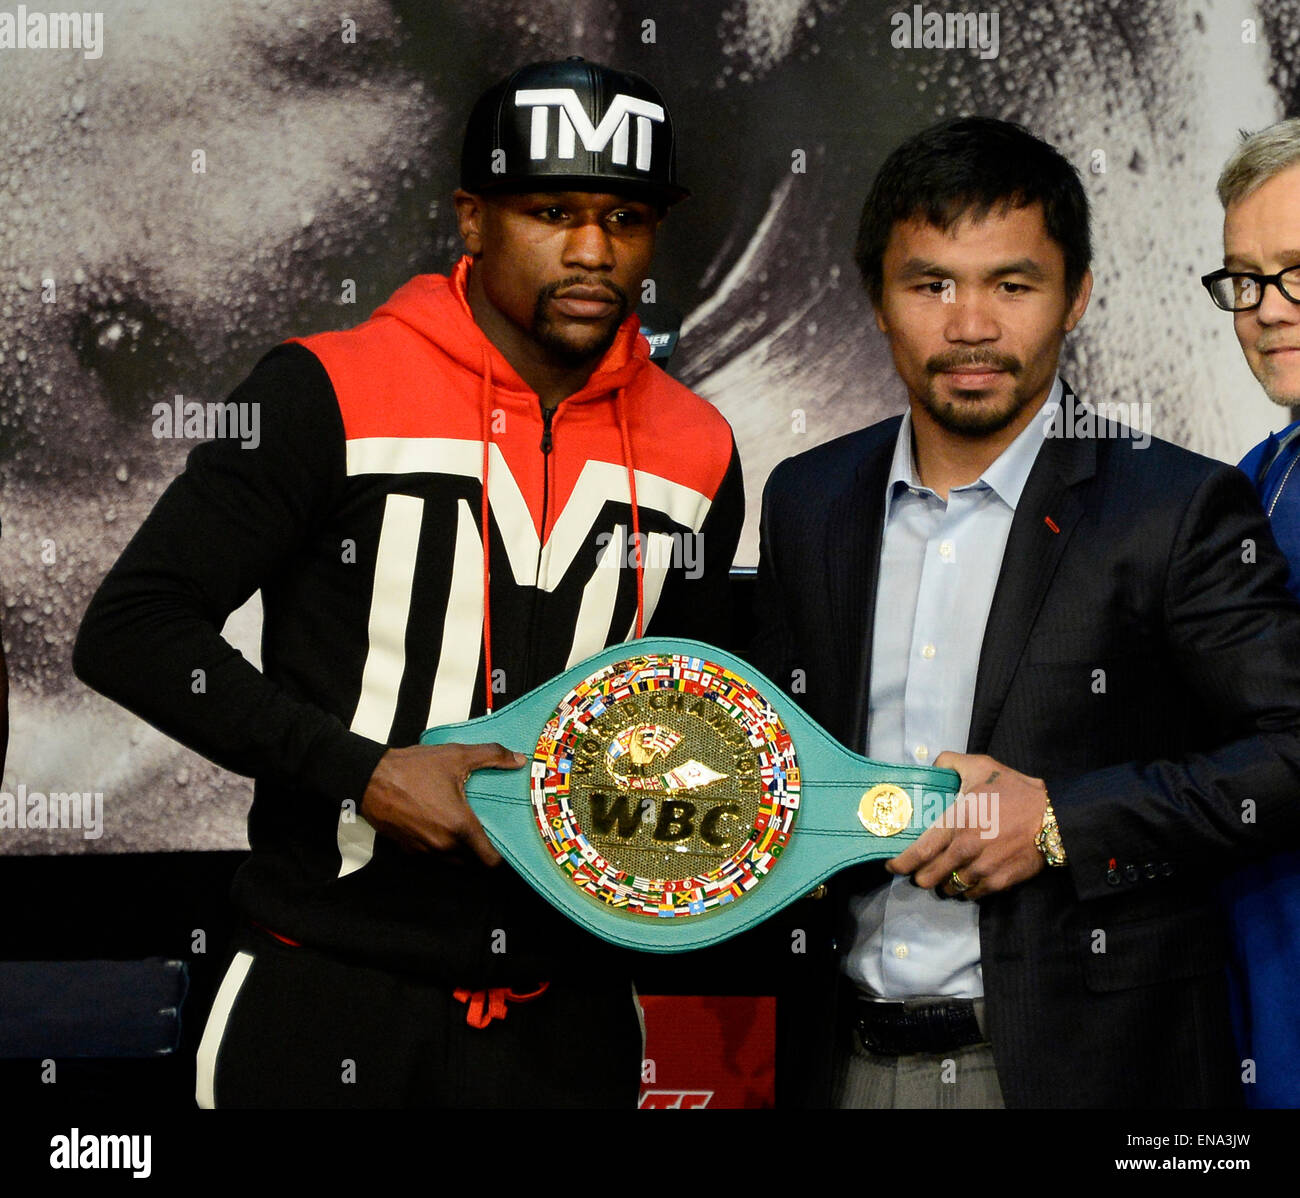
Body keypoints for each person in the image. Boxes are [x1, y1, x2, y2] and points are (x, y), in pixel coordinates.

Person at [73, 57, 743, 1108]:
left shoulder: (698, 447)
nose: (591, 249)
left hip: (565, 1011)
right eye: (551, 209)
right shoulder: (326, 387)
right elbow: (131, 629)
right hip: (323, 986)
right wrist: (363, 770)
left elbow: (692, 713)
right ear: (472, 221)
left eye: (625, 217)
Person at [750, 115, 1300, 1108]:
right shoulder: (804, 498)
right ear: (875, 296)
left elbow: (1290, 753)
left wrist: (1056, 820)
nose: (969, 326)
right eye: (930, 285)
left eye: (1011, 284)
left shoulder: (1175, 505)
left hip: (1085, 1067)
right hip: (841, 1056)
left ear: (1075, 296)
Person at [1202, 117, 1300, 1109]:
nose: (1267, 310)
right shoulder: (1248, 481)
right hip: (1246, 980)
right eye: (1244, 279)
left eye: (1298, 272)